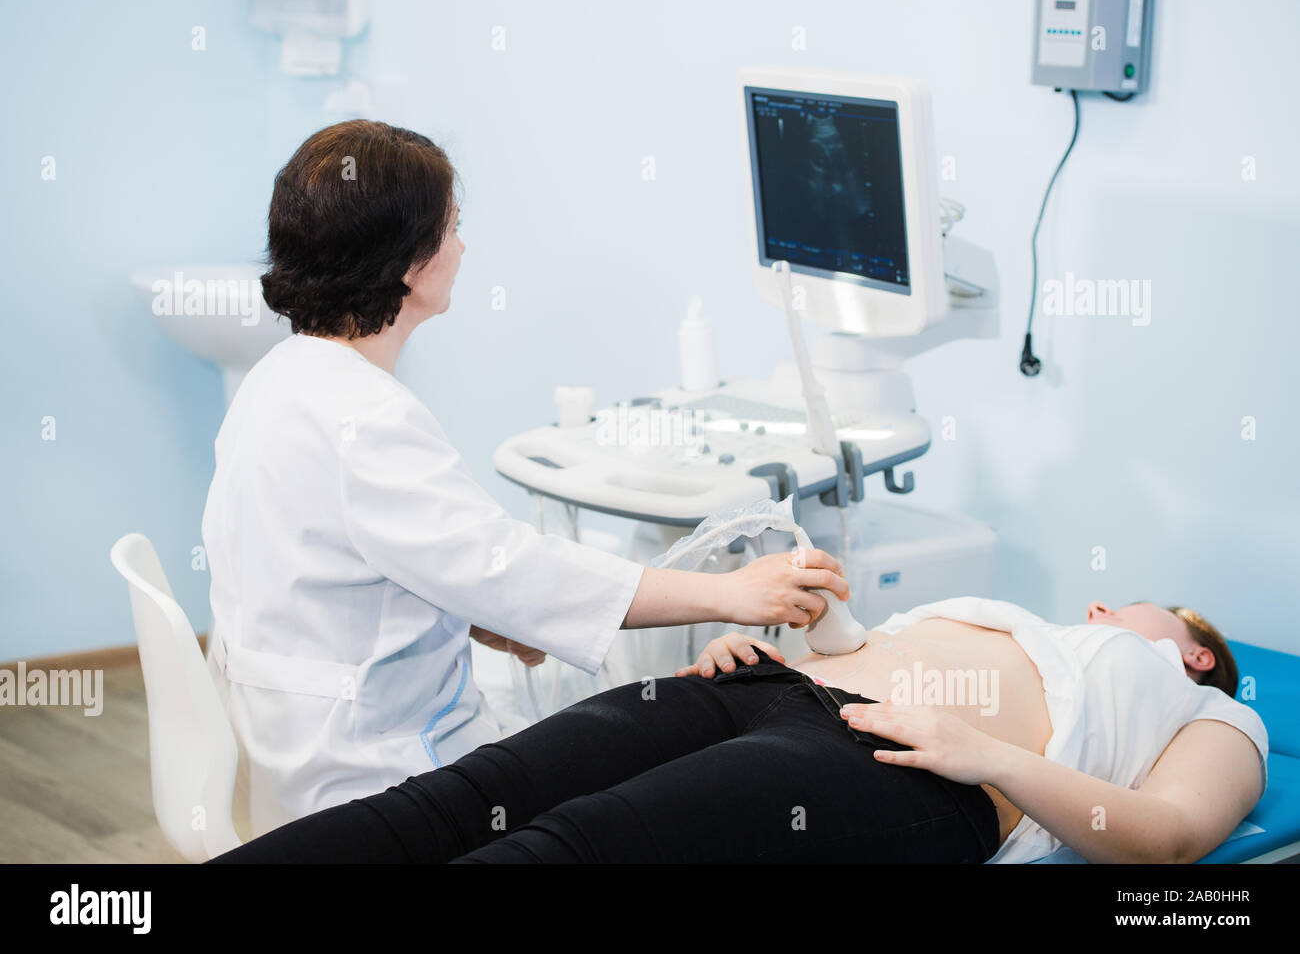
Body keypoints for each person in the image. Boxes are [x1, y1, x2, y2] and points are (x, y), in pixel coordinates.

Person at [202, 120, 849, 835]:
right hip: (379, 778)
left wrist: (479, 613)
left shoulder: (278, 382)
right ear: (410, 264)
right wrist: (729, 592)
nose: (463, 246)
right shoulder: (366, 418)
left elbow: (354, 563)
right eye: (451, 226)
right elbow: (514, 567)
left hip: (298, 757)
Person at [209, 597, 1267, 864]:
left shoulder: (1216, 714)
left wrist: (982, 752)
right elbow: (866, 645)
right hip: (768, 686)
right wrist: (789, 640)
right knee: (440, 804)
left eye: (1135, 608)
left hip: (901, 763)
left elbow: (1167, 839)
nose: (1100, 611)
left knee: (564, 849)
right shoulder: (1031, 615)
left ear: (1194, 648)